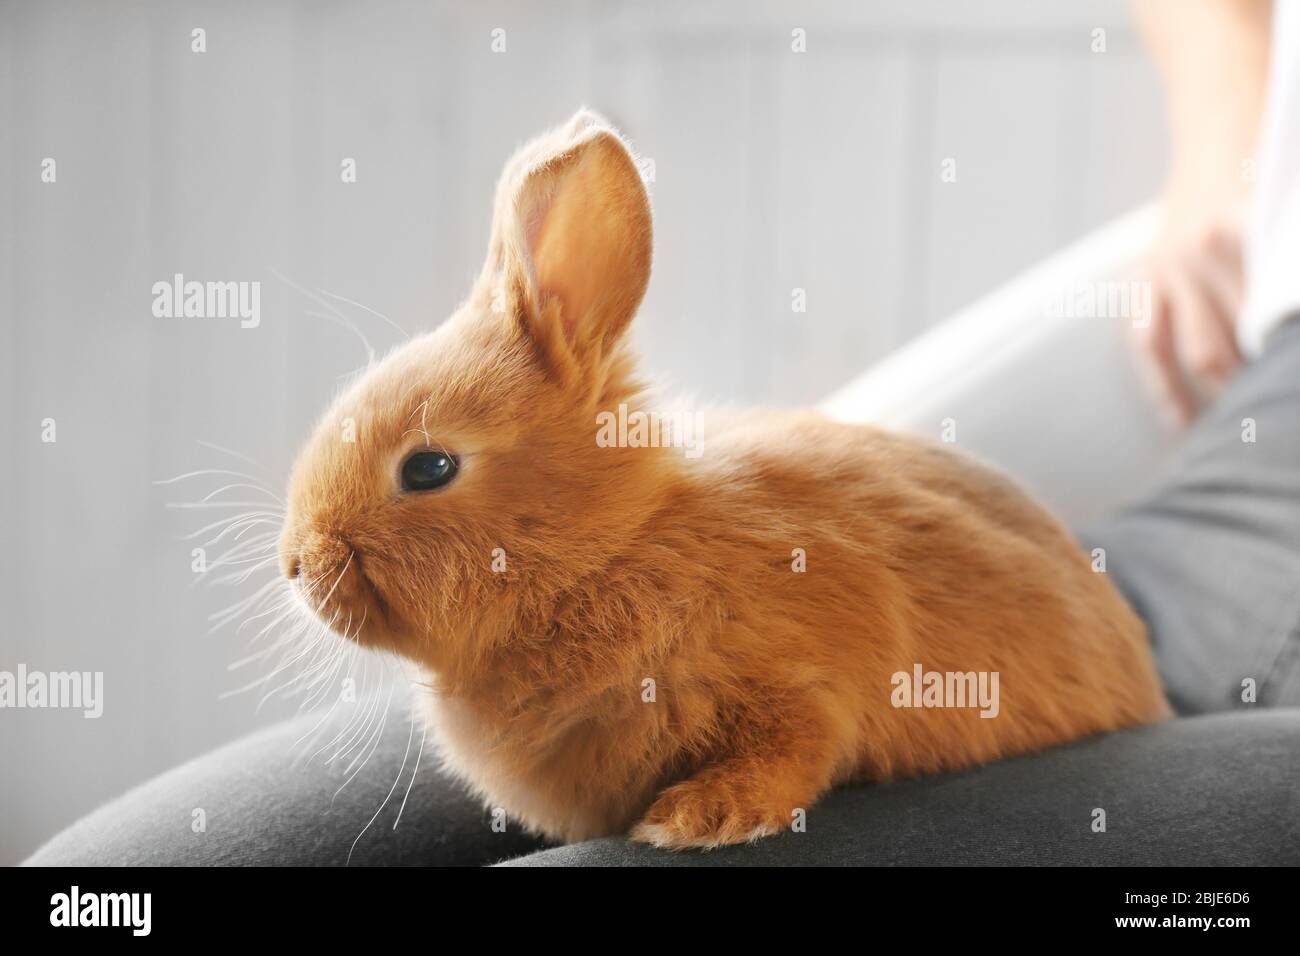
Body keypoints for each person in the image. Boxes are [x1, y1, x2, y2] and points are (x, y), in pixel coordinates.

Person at [25, 0, 1300, 866]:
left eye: (426, 476)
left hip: (1078, 701)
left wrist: (766, 757)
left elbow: (831, 644)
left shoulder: (679, 585)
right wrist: (1228, 162)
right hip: (1190, 508)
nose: (302, 558)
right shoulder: (557, 597)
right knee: (124, 875)